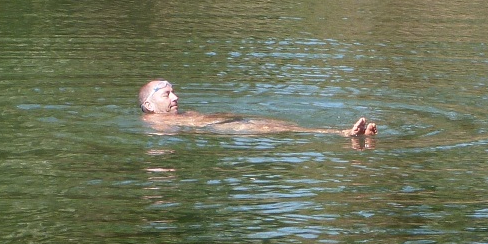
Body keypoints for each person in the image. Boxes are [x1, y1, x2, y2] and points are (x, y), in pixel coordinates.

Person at [138, 79, 377, 139]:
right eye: (167, 94)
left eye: (174, 91)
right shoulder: (155, 124)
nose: (176, 97)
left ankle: (347, 135)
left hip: (234, 122)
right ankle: (341, 134)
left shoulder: (182, 115)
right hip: (229, 129)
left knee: (286, 125)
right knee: (285, 130)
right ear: (149, 105)